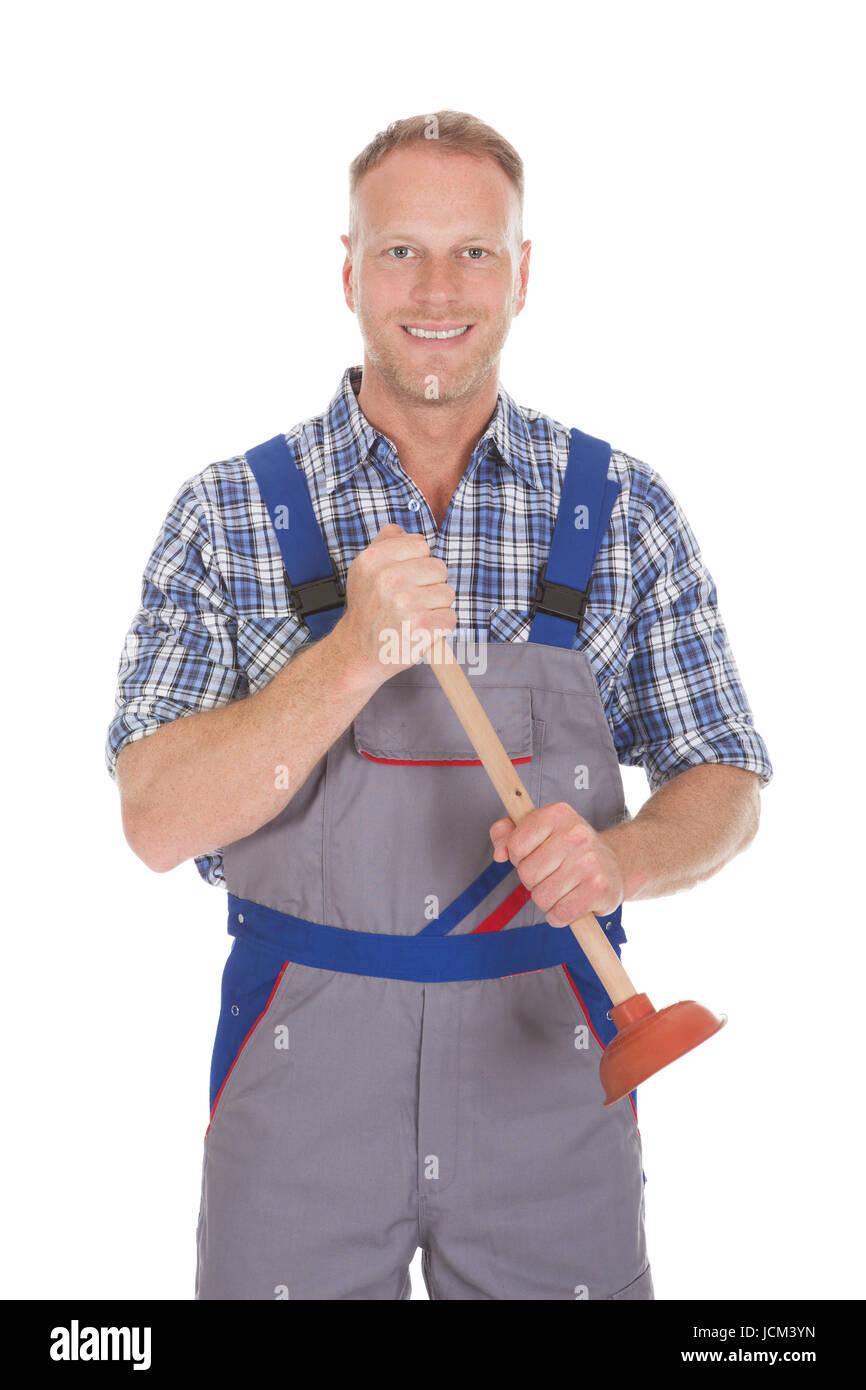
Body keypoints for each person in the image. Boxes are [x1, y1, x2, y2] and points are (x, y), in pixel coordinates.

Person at [106, 110, 773, 1301]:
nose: (436, 287)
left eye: (473, 252)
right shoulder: (227, 514)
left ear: (522, 274)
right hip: (299, 1068)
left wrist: (618, 860)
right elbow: (156, 819)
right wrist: (351, 654)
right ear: (348, 268)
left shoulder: (619, 509)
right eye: (401, 248)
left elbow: (723, 778)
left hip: (555, 1066)